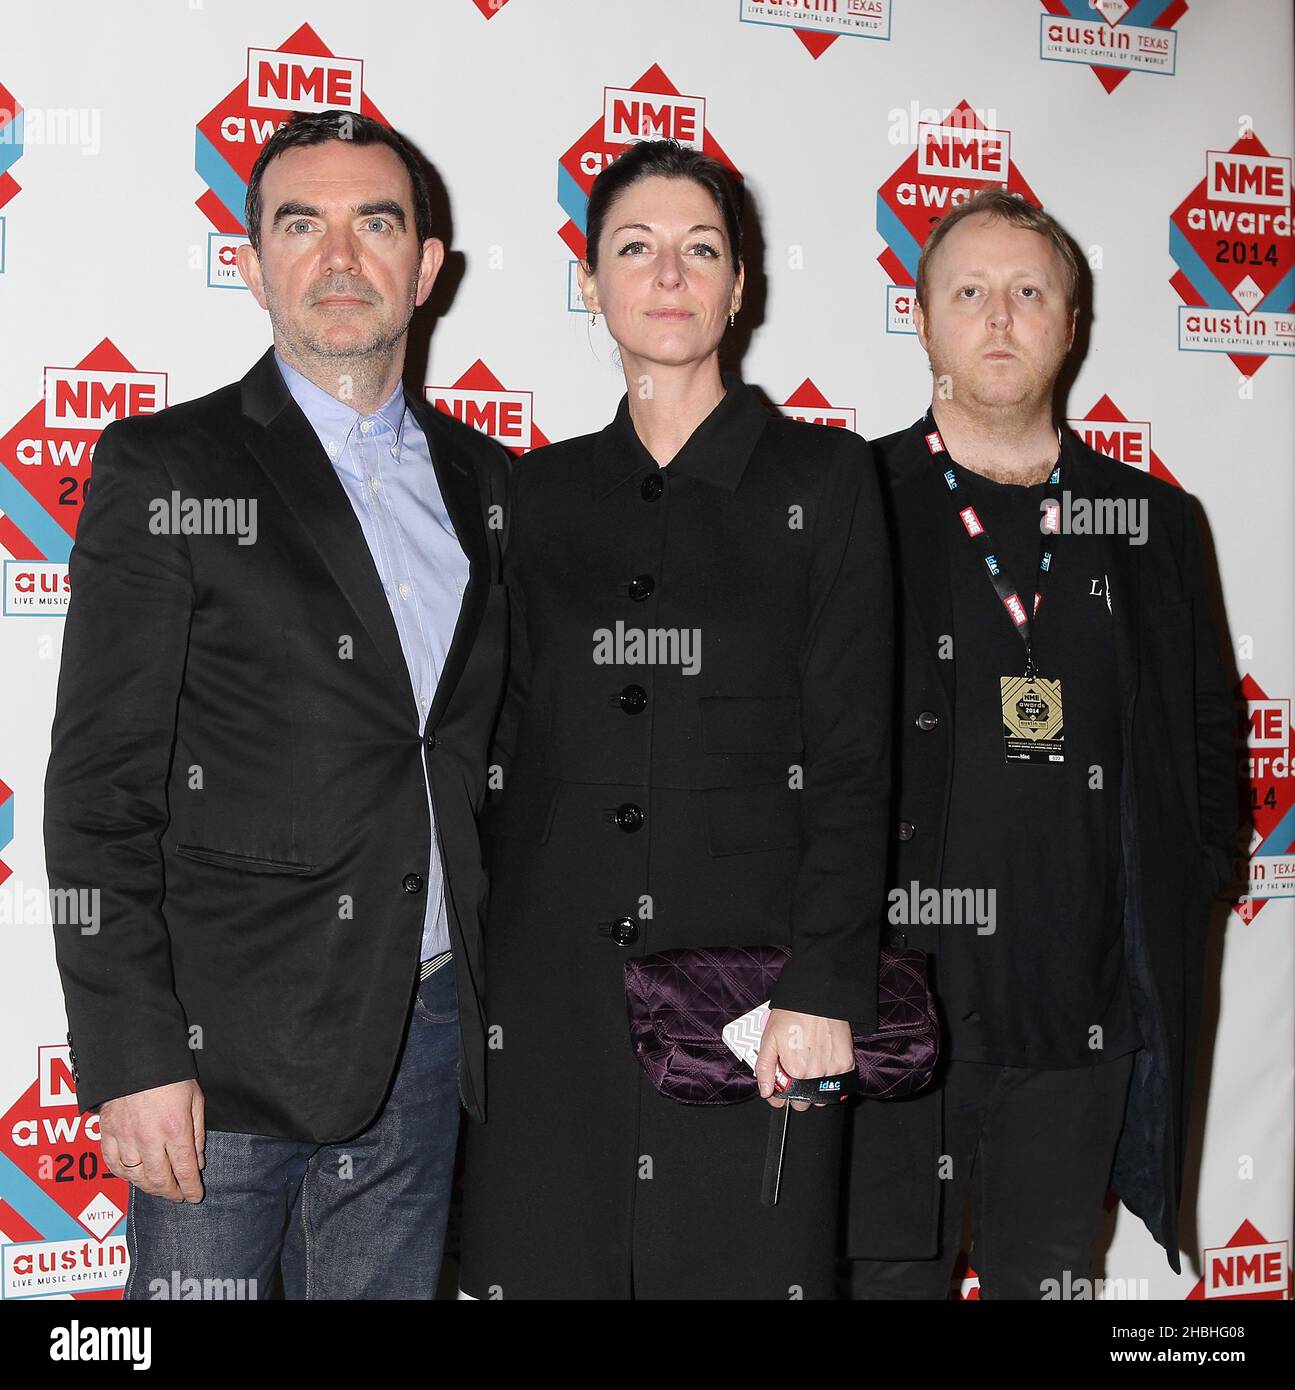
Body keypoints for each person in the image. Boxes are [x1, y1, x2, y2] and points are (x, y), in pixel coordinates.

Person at [43, 110, 509, 1299]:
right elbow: (98, 794)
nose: (339, 257)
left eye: (376, 223)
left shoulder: (492, 481)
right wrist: (131, 1056)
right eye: (301, 224)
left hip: (429, 1033)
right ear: (250, 264)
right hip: (220, 1065)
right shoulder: (166, 468)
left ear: (427, 265)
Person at [457, 138, 893, 1300]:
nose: (667, 274)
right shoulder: (530, 495)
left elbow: (856, 756)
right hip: (548, 991)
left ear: (738, 284)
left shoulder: (825, 481)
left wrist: (823, 985)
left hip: (755, 993)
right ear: (589, 277)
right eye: (634, 248)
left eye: (699, 249)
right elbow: (496, 743)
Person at [845, 187, 1239, 1299]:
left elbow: (1209, 733)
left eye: (1028, 292)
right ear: (921, 321)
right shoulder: (854, 500)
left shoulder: (1152, 521)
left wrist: (1191, 879)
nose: (999, 318)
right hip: (896, 1010)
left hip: (1081, 1021)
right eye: (967, 293)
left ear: (1071, 322)